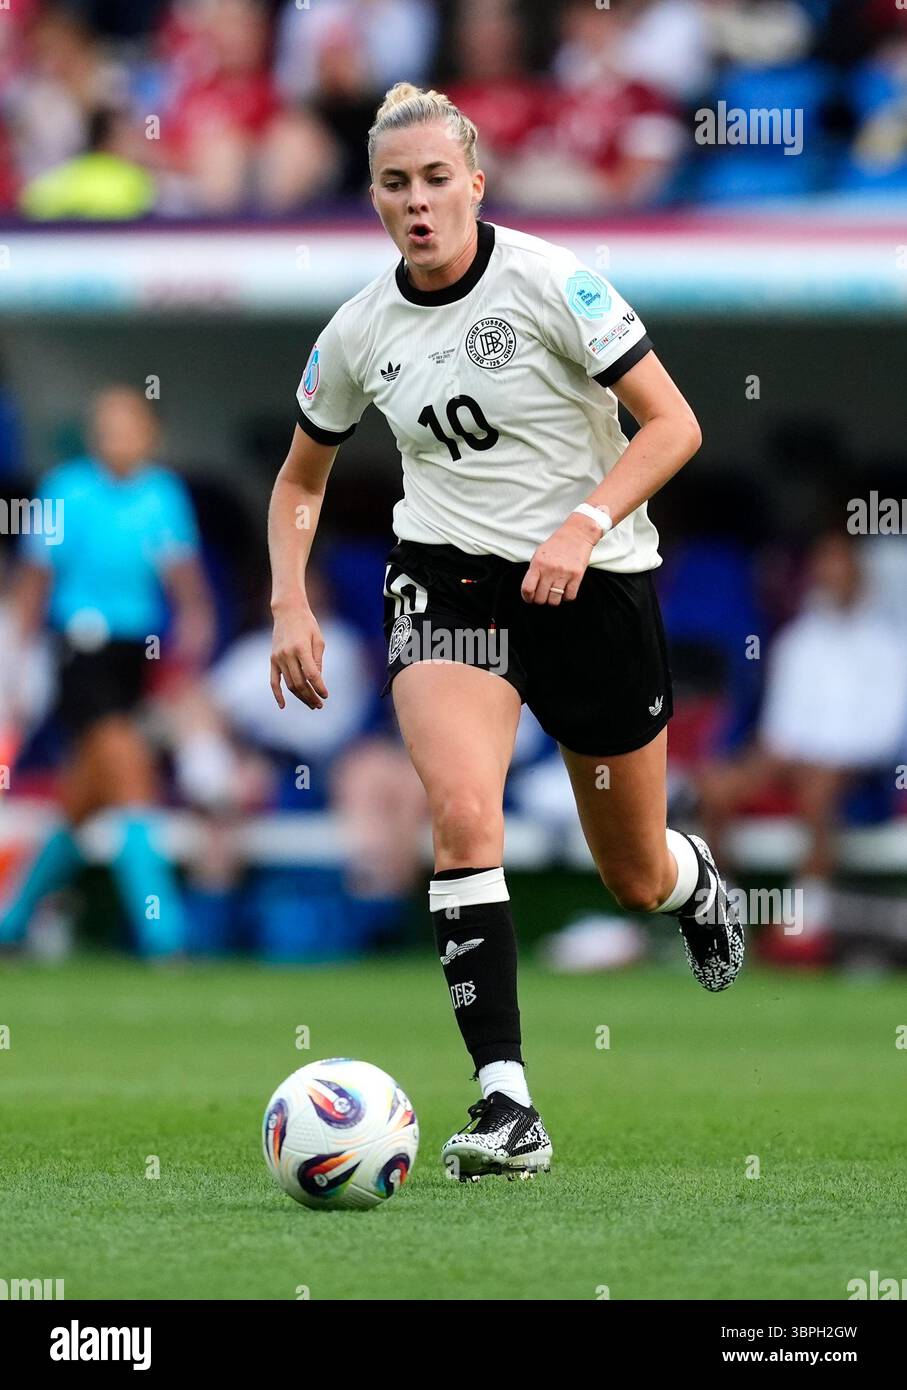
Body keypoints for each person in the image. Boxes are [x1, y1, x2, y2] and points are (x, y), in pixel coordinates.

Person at [268, 83, 743, 1183]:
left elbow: (674, 423)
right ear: (375, 197)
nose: (418, 201)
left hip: (595, 584)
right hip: (446, 583)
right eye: (396, 183)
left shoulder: (550, 281)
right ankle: (505, 1100)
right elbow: (301, 476)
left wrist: (583, 523)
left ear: (475, 182)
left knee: (629, 872)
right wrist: (290, 597)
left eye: (438, 179)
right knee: (463, 811)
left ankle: (691, 880)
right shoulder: (355, 332)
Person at [0, 386, 213, 957]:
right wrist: (18, 672)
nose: (116, 434)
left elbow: (186, 587)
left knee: (86, 796)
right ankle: (164, 936)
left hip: (134, 658)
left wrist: (192, 644)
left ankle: (12, 921)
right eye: (107, 424)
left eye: (129, 423)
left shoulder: (163, 495)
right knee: (129, 771)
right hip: (79, 653)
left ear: (151, 432)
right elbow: (32, 587)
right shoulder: (64, 490)